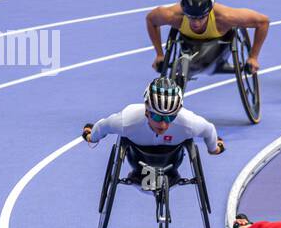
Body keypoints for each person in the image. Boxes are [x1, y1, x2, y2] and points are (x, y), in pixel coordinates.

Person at [82, 76, 224, 188]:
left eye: (170, 117)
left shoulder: (188, 123)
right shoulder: (127, 120)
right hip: (137, 165)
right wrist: (214, 148)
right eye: (156, 116)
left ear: (177, 112)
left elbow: (101, 127)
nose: (163, 124)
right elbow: (105, 125)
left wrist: (91, 137)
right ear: (146, 110)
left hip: (172, 165)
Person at [145, 0, 268, 84]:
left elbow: (263, 22)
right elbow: (151, 20)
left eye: (201, 17)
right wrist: (160, 54)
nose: (196, 23)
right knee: (188, 63)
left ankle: (193, 65)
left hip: (218, 48)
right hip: (188, 45)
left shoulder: (226, 17)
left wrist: (253, 57)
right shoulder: (172, 15)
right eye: (191, 17)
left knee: (198, 61)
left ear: (210, 11)